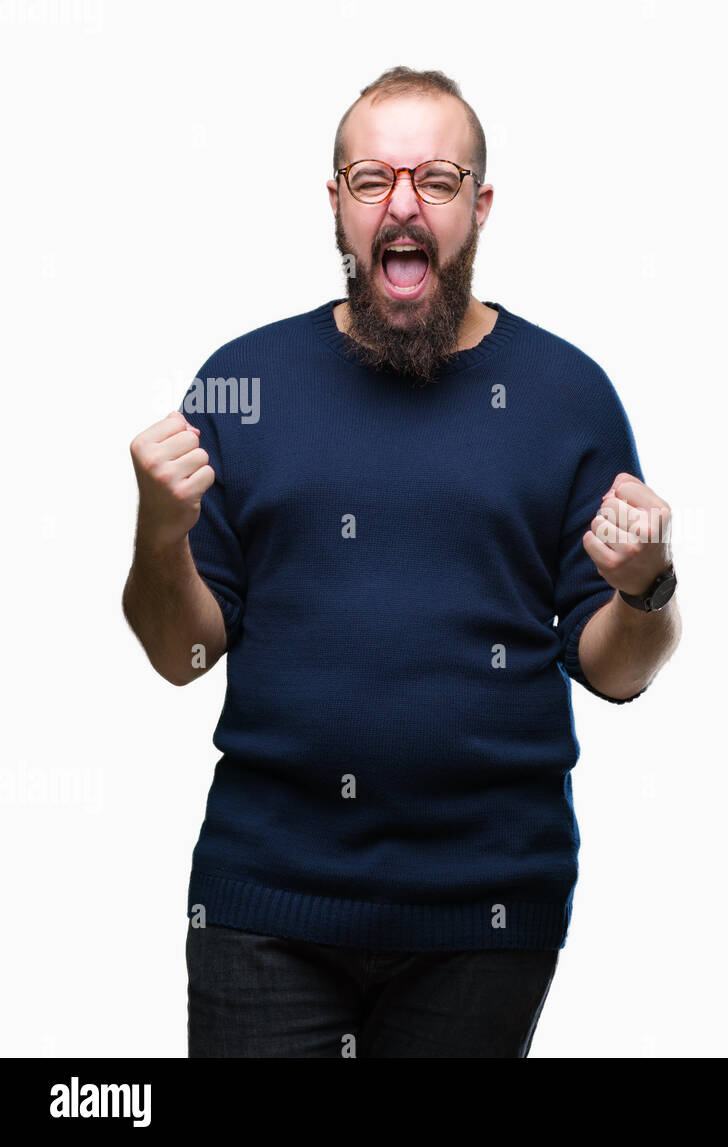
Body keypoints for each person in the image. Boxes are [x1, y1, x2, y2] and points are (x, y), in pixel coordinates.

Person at [121, 66, 682, 1058]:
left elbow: (614, 673)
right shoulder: (244, 383)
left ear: (480, 206)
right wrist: (158, 531)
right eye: (374, 178)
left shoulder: (565, 395)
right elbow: (181, 658)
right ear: (337, 204)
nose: (405, 204)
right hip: (264, 904)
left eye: (438, 178)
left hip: (486, 914)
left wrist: (646, 591)